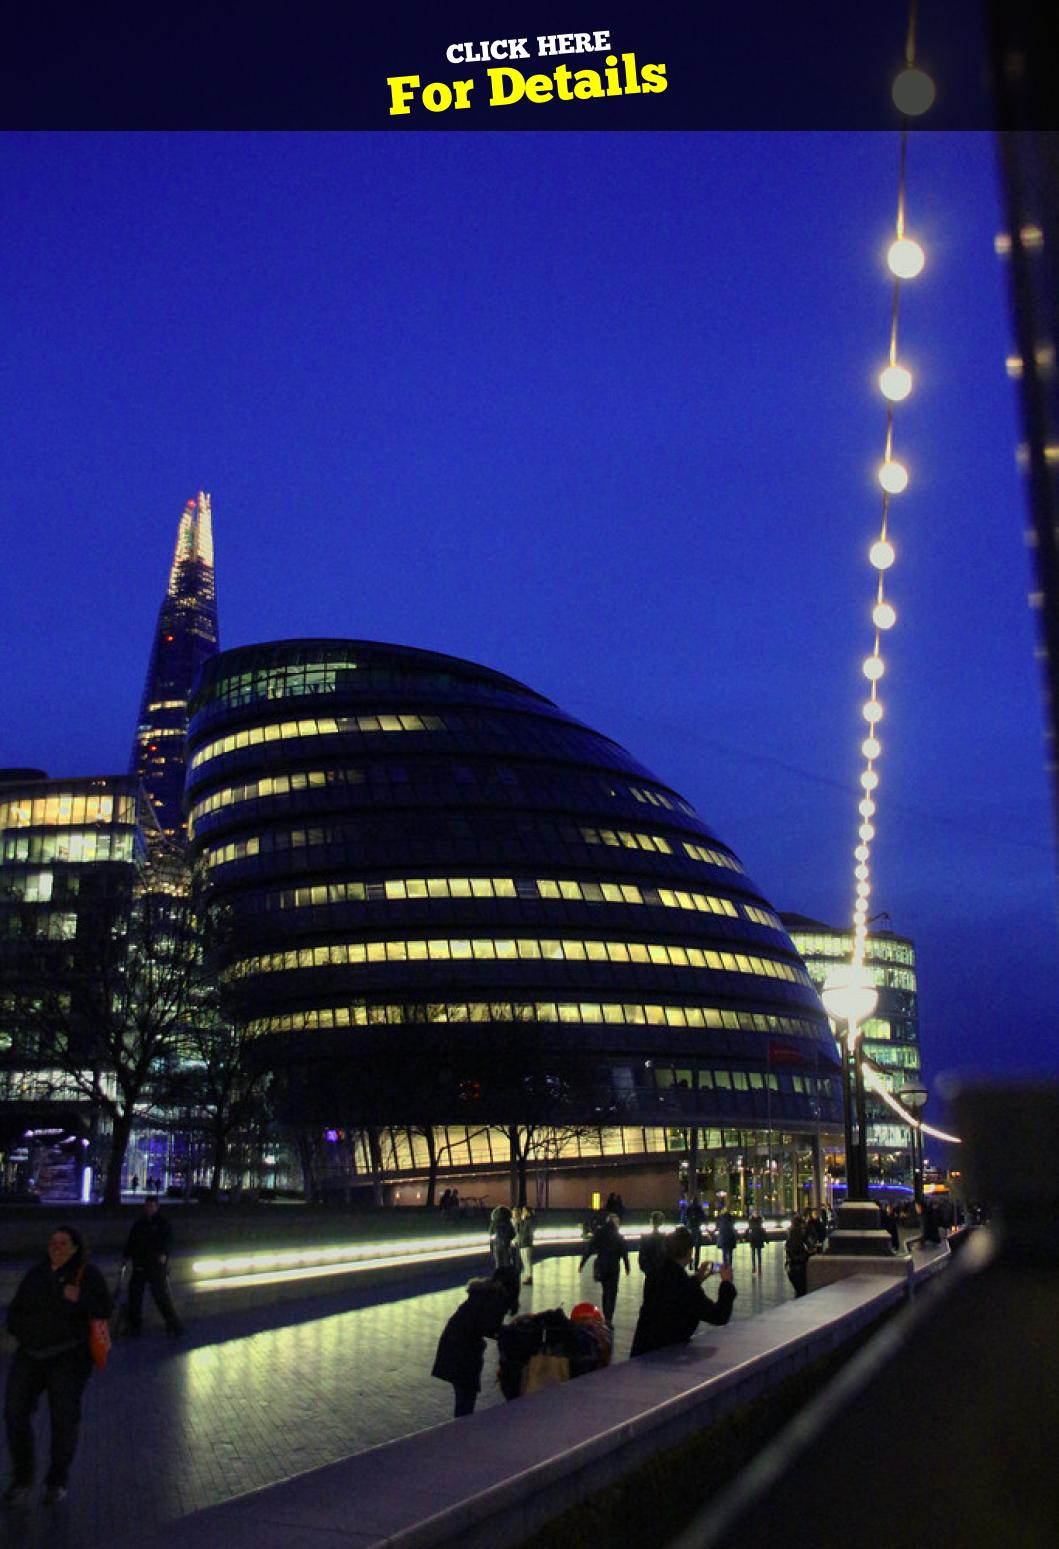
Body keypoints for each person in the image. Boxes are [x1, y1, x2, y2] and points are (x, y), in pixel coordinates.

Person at [3, 1225, 112, 1506]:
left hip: (68, 1358)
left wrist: (80, 1298)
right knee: (15, 1412)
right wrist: (23, 1332)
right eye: (53, 1242)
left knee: (63, 1420)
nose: (56, 1247)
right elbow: (15, 1312)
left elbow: (105, 1308)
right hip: (30, 1355)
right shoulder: (37, 1274)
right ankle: (22, 1478)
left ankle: (57, 1481)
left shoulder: (87, 1275)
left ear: (76, 1247)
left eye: (64, 1243)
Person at [630, 1227, 737, 1357]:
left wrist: (698, 1278)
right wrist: (726, 1283)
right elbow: (719, 1316)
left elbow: (674, 1292)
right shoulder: (687, 1288)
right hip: (666, 1357)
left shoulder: (654, 1275)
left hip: (643, 1350)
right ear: (689, 1252)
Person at [431, 1266, 520, 1417]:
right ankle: (462, 1430)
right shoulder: (497, 1297)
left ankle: (461, 1426)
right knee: (466, 1394)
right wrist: (510, 1331)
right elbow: (491, 1328)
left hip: (453, 1345)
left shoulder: (484, 1292)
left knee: (464, 1393)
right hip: (463, 1351)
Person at [122, 1195, 184, 1335]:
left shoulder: (162, 1223)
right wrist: (126, 1256)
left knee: (159, 1294)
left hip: (155, 1264)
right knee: (135, 1293)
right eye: (147, 1206)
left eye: (151, 1206)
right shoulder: (140, 1223)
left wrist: (164, 1254)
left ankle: (173, 1322)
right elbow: (132, 1240)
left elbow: (168, 1240)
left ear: (157, 1207)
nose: (149, 1209)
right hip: (140, 1263)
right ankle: (135, 1324)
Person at [578, 1212, 630, 1325]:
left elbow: (590, 1248)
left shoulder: (600, 1233)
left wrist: (582, 1263)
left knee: (605, 1291)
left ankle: (606, 1314)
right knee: (612, 1292)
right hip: (614, 1267)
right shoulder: (618, 1236)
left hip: (602, 1266)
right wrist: (627, 1266)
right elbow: (624, 1252)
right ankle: (608, 1317)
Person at [785, 1214, 812, 1298]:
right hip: (798, 1269)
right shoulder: (797, 1240)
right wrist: (808, 1254)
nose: (804, 1229)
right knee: (801, 1292)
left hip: (793, 1269)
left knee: (799, 1292)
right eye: (803, 1228)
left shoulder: (790, 1240)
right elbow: (796, 1257)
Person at [638, 1211, 668, 1277]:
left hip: (650, 1273)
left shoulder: (645, 1238)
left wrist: (647, 1270)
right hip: (662, 1273)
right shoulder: (665, 1238)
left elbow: (642, 1257)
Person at [489, 1205, 517, 1270]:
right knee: (507, 1262)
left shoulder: (494, 1223)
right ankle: (506, 1276)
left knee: (498, 1263)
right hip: (506, 1245)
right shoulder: (508, 1223)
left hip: (496, 1245)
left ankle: (499, 1276)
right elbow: (513, 1234)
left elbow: (491, 1234)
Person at [516, 1206, 536, 1284]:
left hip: (527, 1243)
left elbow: (527, 1232)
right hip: (522, 1243)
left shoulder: (530, 1221)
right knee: (524, 1260)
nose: (523, 1212)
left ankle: (529, 1276)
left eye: (524, 1211)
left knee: (527, 1261)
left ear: (528, 1212)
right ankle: (527, 1275)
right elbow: (520, 1230)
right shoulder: (523, 1221)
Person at [686, 1195, 706, 1267]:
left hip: (690, 1229)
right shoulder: (699, 1208)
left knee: (690, 1248)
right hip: (697, 1229)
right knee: (697, 1249)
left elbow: (685, 1217)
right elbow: (703, 1218)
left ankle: (690, 1263)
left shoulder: (689, 1208)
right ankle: (696, 1265)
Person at [746, 1211, 766, 1275]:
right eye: (755, 1213)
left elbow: (749, 1229)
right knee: (754, 1254)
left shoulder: (752, 1220)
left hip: (755, 1239)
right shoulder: (758, 1220)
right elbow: (762, 1230)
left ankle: (758, 1268)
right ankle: (754, 1267)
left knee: (757, 1254)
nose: (756, 1214)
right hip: (755, 1239)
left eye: (756, 1213)